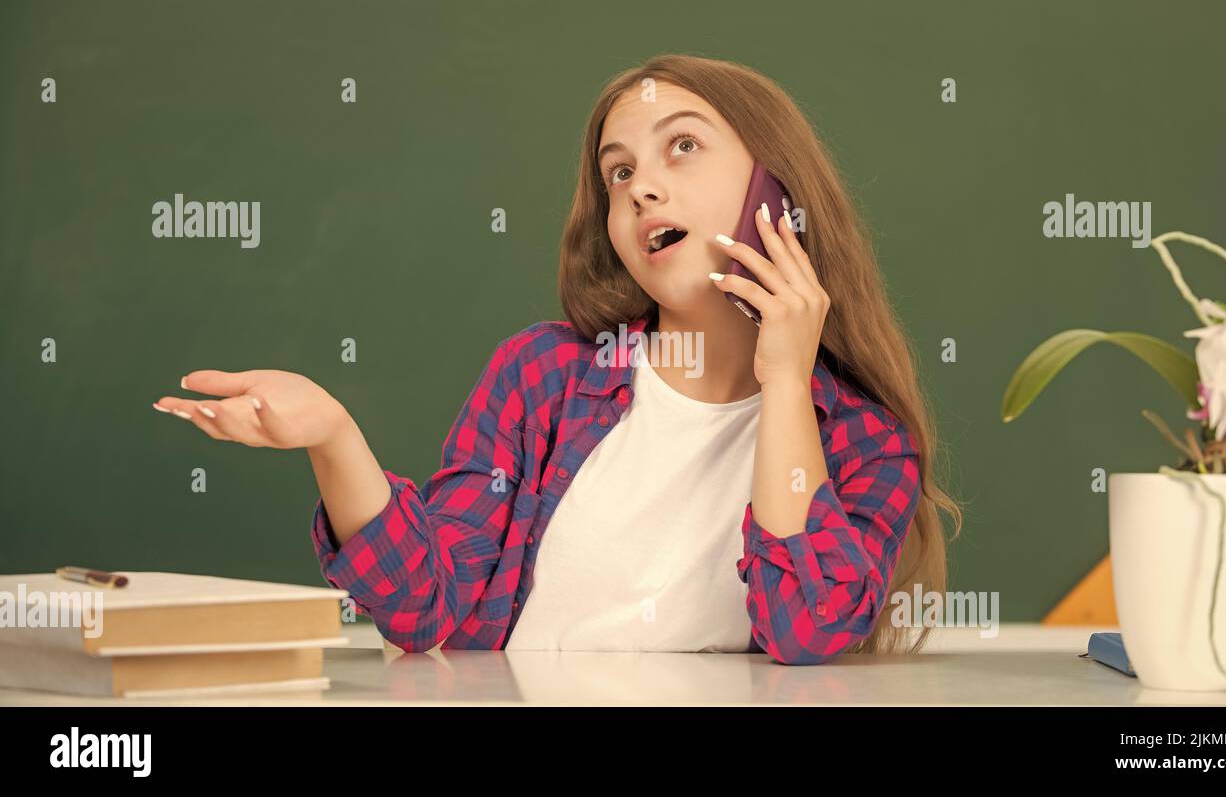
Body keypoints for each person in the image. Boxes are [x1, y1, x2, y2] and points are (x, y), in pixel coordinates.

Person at [153, 54, 963, 665]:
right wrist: (333, 436)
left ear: (776, 192)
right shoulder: (541, 377)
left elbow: (809, 628)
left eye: (681, 146)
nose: (642, 186)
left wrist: (786, 380)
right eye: (620, 172)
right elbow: (427, 605)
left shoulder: (866, 442)